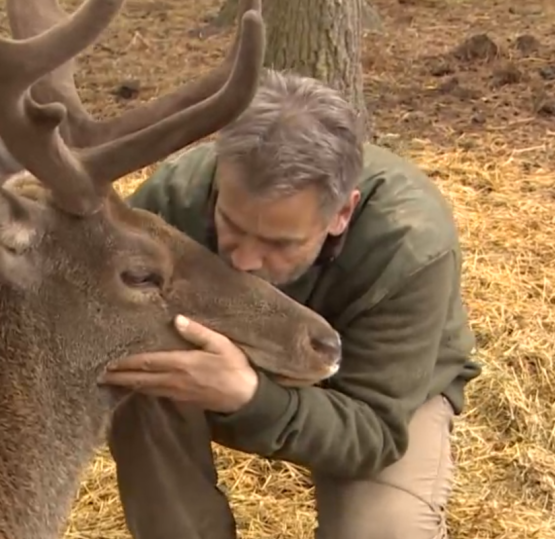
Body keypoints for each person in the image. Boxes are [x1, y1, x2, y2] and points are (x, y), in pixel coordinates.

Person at [98, 69, 482, 539]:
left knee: (383, 531)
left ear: (342, 212)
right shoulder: (176, 198)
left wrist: (251, 398)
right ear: (220, 179)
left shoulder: (412, 244)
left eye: (279, 243)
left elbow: (375, 433)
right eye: (231, 226)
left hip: (371, 394)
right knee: (140, 370)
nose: (244, 258)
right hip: (211, 366)